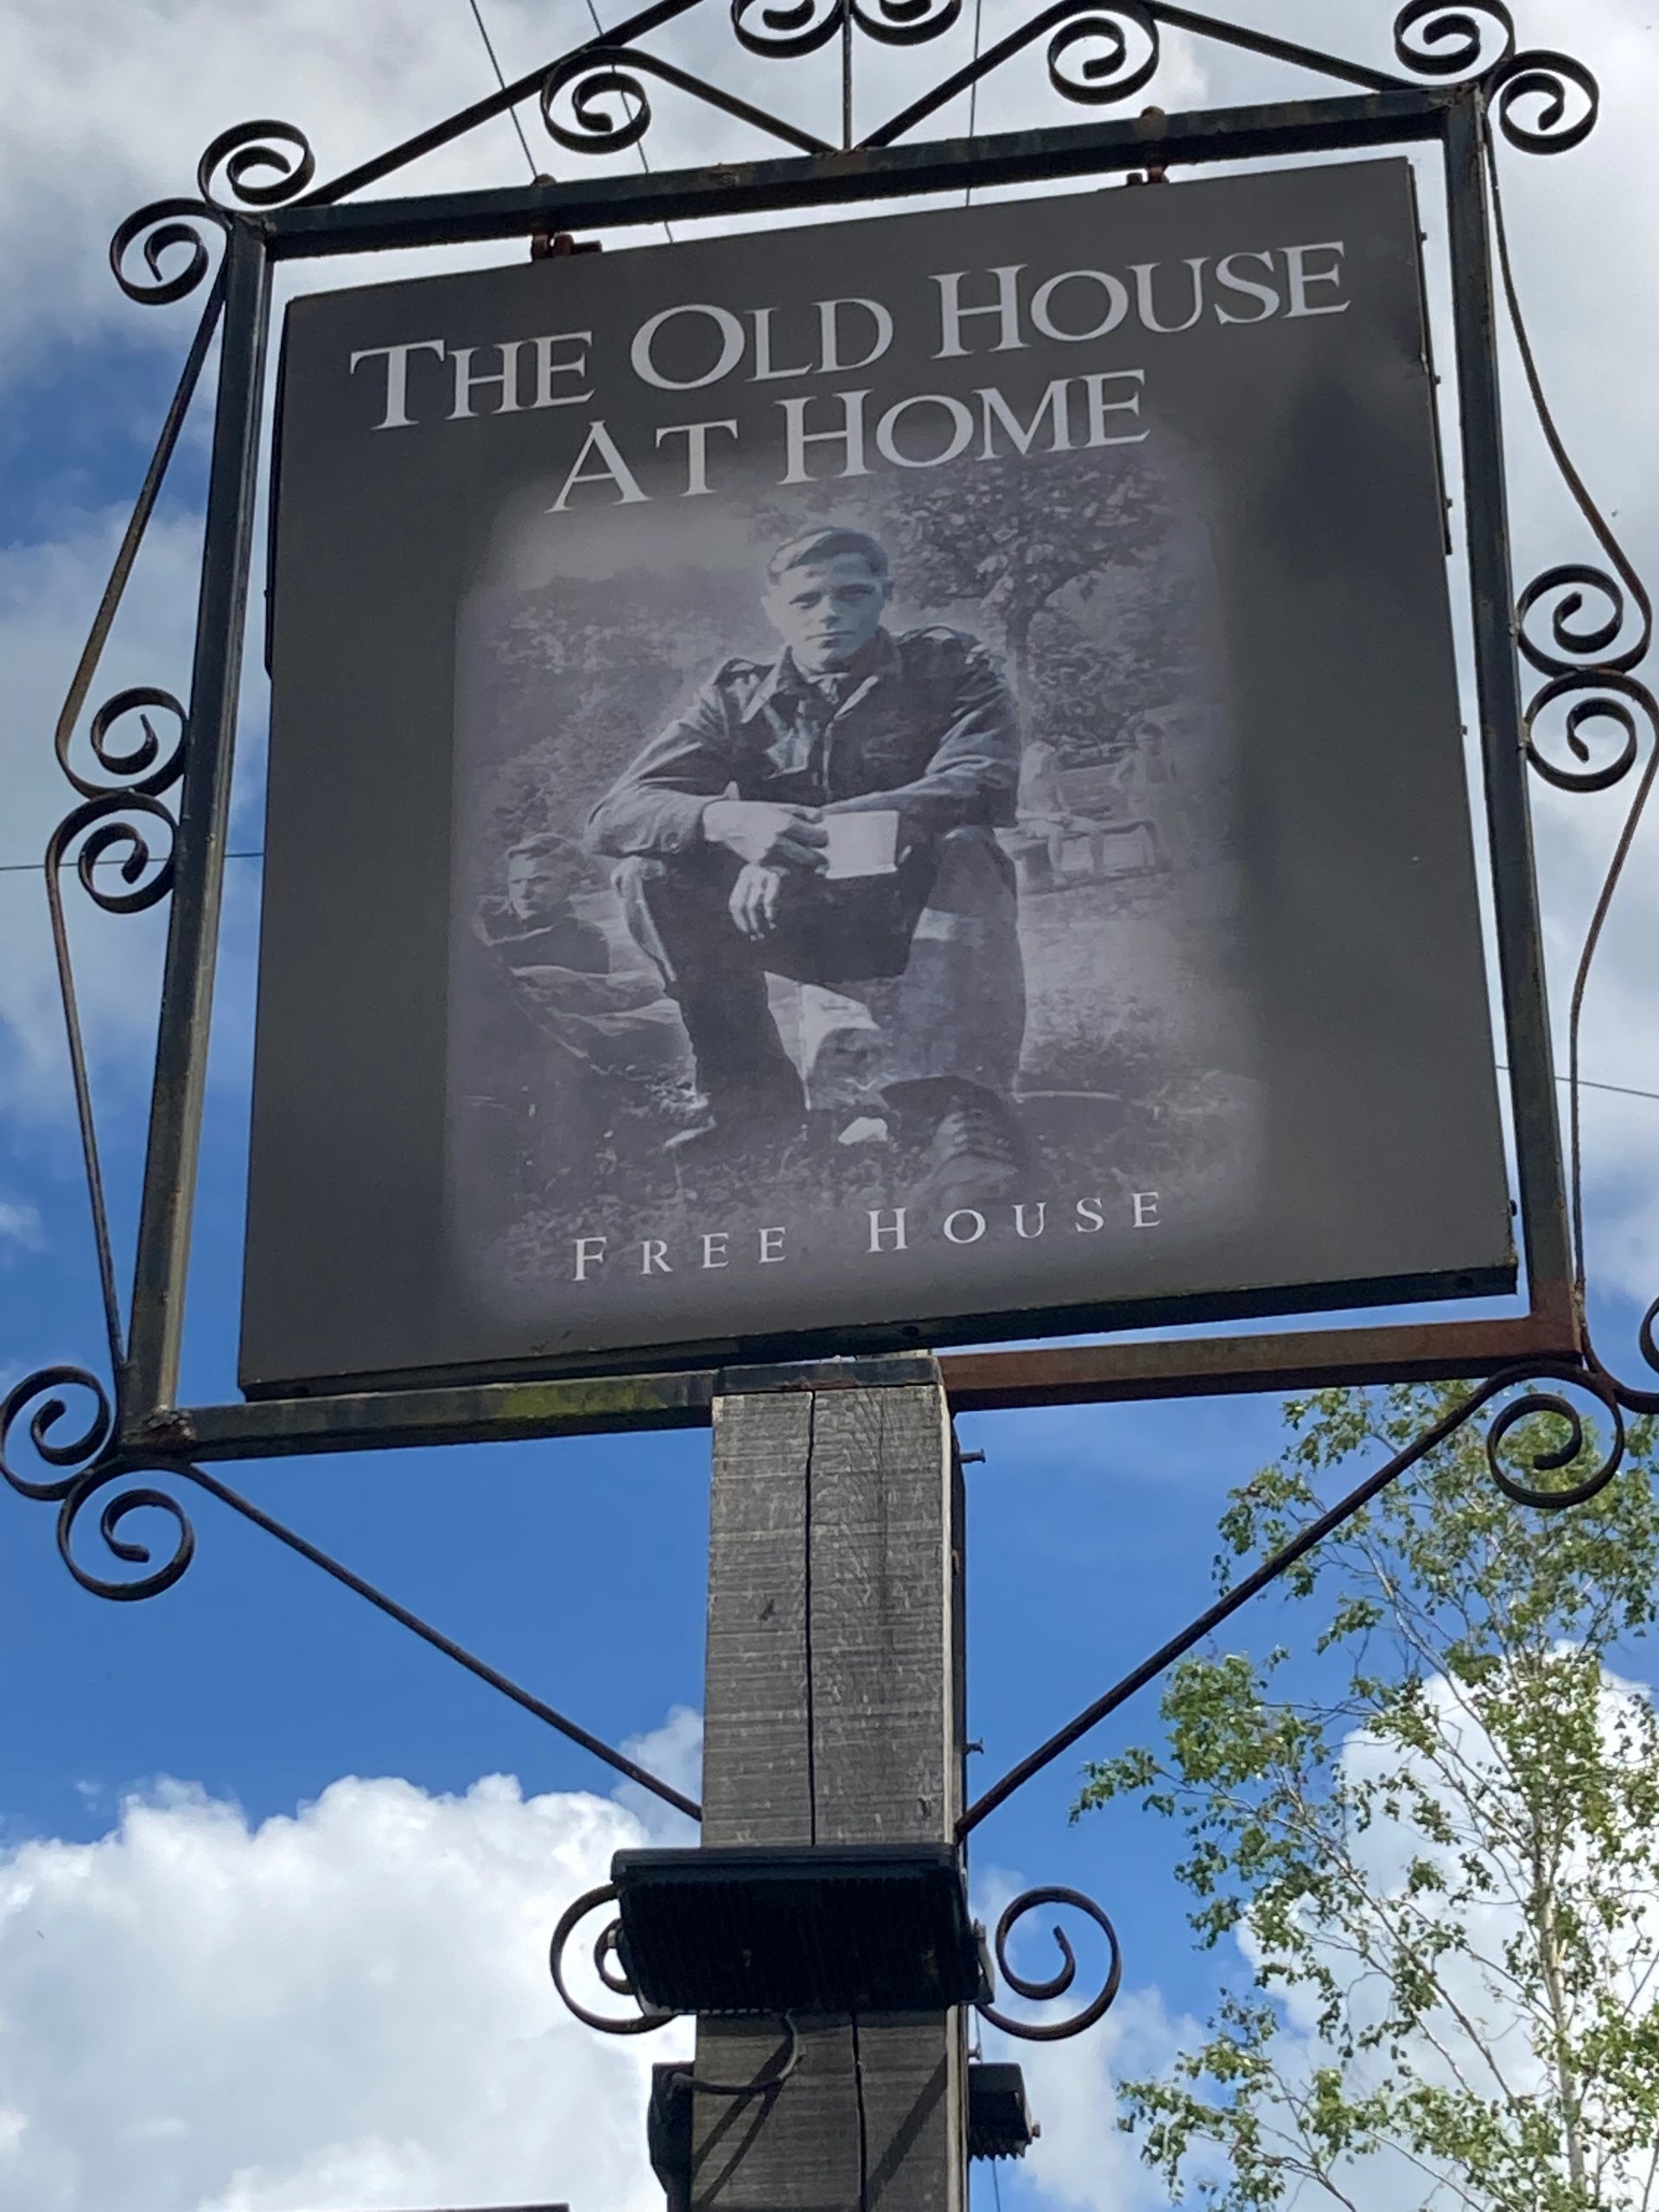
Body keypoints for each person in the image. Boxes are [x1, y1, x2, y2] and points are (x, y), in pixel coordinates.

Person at [583, 525, 1028, 1203]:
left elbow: (979, 782)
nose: (829, 615)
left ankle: (962, 1118)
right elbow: (615, 815)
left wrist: (794, 842)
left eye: (852, 594)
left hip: (910, 916)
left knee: (969, 845)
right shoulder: (736, 697)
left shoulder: (950, 668)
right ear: (773, 610)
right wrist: (729, 819)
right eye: (807, 600)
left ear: (885, 595)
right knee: (650, 874)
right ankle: (750, 1106)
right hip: (798, 928)